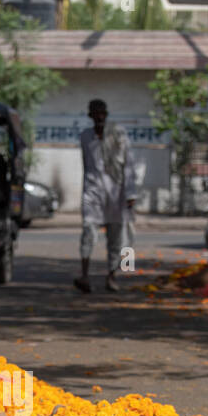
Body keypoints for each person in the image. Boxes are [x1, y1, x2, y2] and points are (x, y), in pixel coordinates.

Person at [77, 99, 136, 294]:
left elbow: (128, 164)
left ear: (107, 114)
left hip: (116, 194)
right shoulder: (85, 137)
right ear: (90, 116)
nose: (100, 117)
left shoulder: (119, 134)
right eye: (96, 113)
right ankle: (84, 275)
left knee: (116, 238)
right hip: (92, 193)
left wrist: (130, 193)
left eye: (103, 113)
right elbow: (87, 166)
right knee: (88, 231)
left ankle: (111, 276)